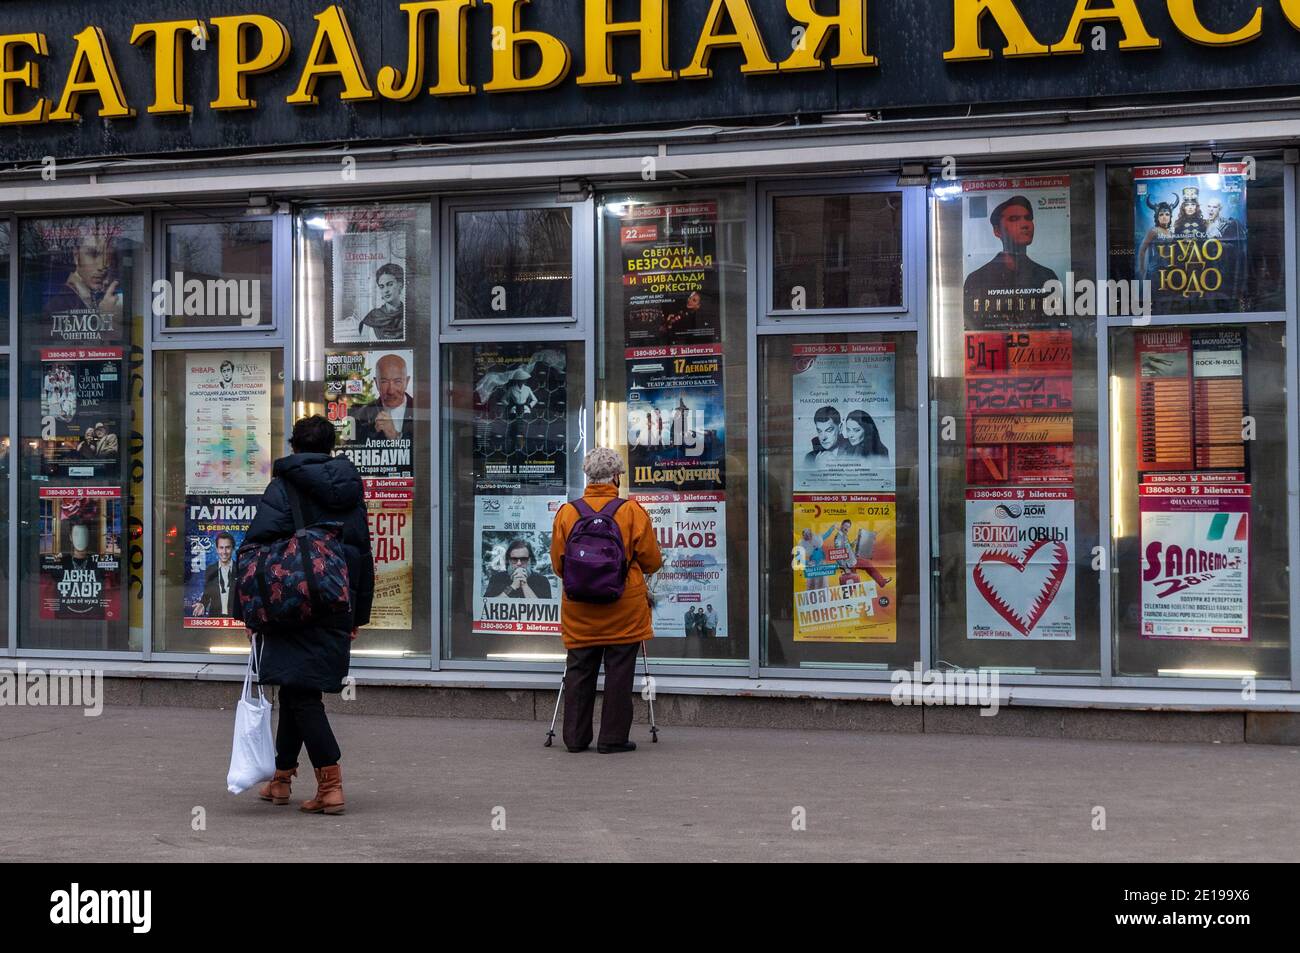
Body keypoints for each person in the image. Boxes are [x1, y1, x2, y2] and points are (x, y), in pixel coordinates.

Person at [247, 415, 375, 815]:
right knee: (296, 688)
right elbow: (362, 555)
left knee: (302, 697)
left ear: (294, 445)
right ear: (331, 446)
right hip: (335, 602)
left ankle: (331, 783)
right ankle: (281, 779)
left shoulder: (282, 486)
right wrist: (357, 614)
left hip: (290, 604)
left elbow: (257, 551)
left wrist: (251, 614)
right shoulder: (350, 490)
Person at [550, 447, 663, 754]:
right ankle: (612, 738)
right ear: (616, 477)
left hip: (579, 609)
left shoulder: (567, 512)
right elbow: (652, 560)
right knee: (619, 673)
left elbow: (559, 565)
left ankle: (574, 738)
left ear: (588, 476)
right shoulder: (631, 512)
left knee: (578, 671)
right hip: (624, 608)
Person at [962, 195, 1059, 317]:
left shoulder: (1047, 276)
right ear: (997, 231)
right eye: (1014, 219)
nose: (1025, 224)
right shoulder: (977, 279)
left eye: (1028, 218)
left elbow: (1059, 326)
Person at [352, 353, 414, 444]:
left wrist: (396, 437)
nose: (391, 391)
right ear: (376, 383)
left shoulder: (420, 410)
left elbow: (427, 452)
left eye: (397, 382)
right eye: (384, 382)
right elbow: (353, 451)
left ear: (407, 382)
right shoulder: (361, 415)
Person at [484, 539, 552, 600]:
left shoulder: (542, 581)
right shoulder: (497, 579)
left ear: (530, 560)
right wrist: (512, 587)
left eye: (523, 559)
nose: (519, 563)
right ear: (509, 560)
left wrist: (524, 585)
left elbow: (544, 610)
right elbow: (487, 607)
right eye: (514, 559)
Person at [194, 531, 237, 618]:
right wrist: (202, 604)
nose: (224, 552)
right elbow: (207, 594)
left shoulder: (240, 569)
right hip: (215, 618)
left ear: (233, 549)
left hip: (235, 618)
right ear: (217, 549)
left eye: (227, 547)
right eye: (221, 548)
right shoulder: (210, 569)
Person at [358, 263, 406, 341]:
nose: (386, 290)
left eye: (390, 284)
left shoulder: (409, 316)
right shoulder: (373, 318)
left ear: (400, 285)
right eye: (382, 286)